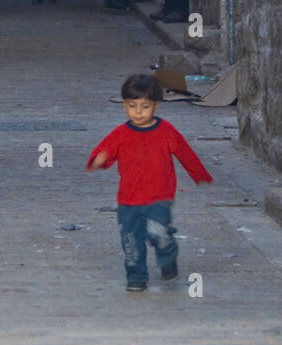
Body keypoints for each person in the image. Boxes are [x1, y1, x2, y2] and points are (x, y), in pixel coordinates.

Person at [86, 73, 213, 291]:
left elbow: (185, 153)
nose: (138, 112)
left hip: (159, 196)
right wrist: (99, 159)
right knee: (131, 242)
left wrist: (198, 174)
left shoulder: (166, 131)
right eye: (132, 105)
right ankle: (136, 277)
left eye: (144, 106)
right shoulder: (120, 134)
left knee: (158, 233)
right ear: (124, 105)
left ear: (157, 106)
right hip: (128, 199)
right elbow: (104, 150)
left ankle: (168, 255)